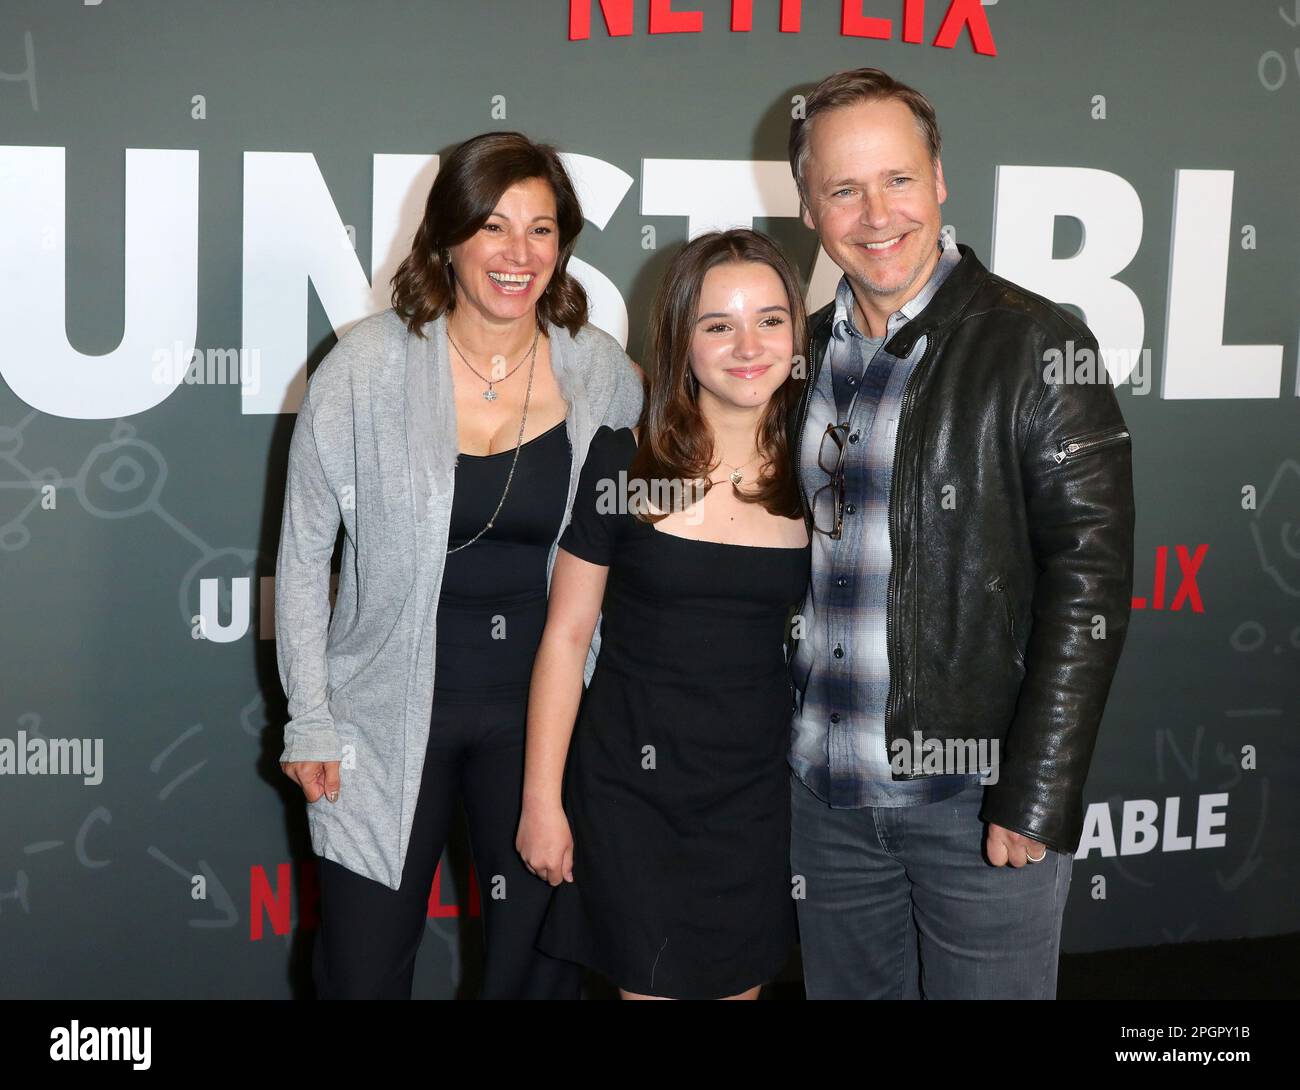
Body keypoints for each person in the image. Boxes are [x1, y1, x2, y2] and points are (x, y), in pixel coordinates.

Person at [785, 68, 1135, 999]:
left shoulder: (1036, 343)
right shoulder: (798, 357)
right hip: (824, 799)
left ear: (940, 178)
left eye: (897, 179)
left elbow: (1089, 579)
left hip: (976, 805)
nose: (876, 213)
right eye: (843, 189)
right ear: (809, 207)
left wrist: (1036, 791)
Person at [274, 131, 645, 999]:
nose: (519, 255)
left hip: (543, 718)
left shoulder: (601, 376)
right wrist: (310, 720)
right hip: (381, 714)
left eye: (543, 230)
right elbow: (300, 559)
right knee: (360, 974)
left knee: (534, 970)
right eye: (494, 226)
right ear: (448, 237)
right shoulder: (365, 367)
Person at [518, 228, 811, 1000]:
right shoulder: (626, 461)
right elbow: (566, 635)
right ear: (683, 339)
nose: (749, 345)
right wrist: (542, 803)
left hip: (753, 800)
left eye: (771, 319)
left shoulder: (822, 474)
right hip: (629, 797)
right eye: (719, 324)